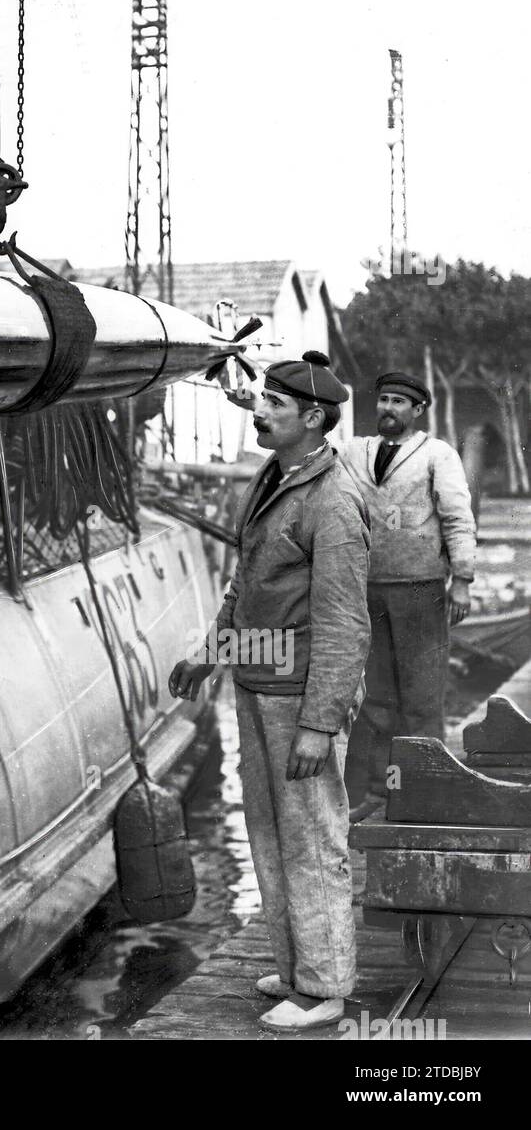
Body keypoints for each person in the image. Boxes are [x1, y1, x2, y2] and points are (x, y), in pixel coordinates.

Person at [170, 351, 370, 1032]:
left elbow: (343, 621)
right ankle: (294, 969)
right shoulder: (277, 477)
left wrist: (320, 723)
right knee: (269, 833)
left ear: (312, 418)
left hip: (298, 695)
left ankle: (323, 988)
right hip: (259, 683)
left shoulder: (332, 499)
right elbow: (250, 585)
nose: (257, 412)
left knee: (312, 838)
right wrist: (210, 656)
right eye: (259, 401)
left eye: (271, 407)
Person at [340, 371, 476, 821]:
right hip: (370, 590)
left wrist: (463, 578)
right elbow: (311, 444)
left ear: (417, 411)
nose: (388, 409)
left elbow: (457, 516)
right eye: (383, 400)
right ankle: (381, 792)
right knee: (378, 700)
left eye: (399, 402)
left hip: (422, 592)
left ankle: (427, 793)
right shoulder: (357, 450)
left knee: (421, 699)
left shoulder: (436, 454)